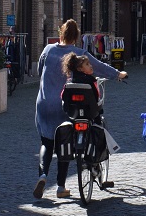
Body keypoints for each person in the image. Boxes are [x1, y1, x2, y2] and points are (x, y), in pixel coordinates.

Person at [35, 19, 126, 197]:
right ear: (77, 36)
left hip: (44, 103)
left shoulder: (48, 50)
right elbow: (98, 68)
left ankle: (43, 175)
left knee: (46, 142)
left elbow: (40, 71)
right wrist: (118, 74)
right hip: (66, 105)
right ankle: (61, 187)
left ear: (61, 33)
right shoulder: (79, 54)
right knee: (65, 144)